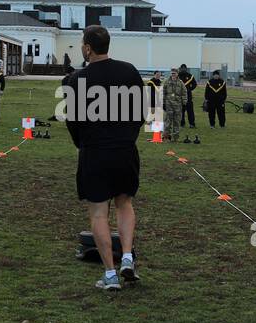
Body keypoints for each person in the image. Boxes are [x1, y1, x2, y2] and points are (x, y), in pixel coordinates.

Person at [62, 26, 145, 291]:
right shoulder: (129, 71)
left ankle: (110, 274)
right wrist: (127, 138)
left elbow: (73, 121)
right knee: (124, 203)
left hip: (95, 151)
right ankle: (128, 256)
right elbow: (140, 111)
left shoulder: (76, 79)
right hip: (124, 150)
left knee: (99, 212)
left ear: (87, 48)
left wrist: (82, 144)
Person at [163, 68, 185, 141]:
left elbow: (184, 93)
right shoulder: (166, 82)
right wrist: (163, 102)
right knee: (167, 121)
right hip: (169, 104)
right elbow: (163, 92)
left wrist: (184, 102)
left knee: (177, 121)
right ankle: (166, 137)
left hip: (178, 105)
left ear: (177, 74)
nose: (173, 74)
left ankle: (175, 138)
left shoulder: (181, 83)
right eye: (172, 73)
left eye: (174, 73)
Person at [178, 64, 198, 128]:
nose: (183, 69)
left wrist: (189, 89)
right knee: (181, 111)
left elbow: (194, 84)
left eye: (184, 68)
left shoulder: (190, 76)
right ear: (180, 69)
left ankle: (192, 124)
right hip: (179, 96)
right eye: (182, 68)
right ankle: (182, 124)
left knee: (190, 111)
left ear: (186, 69)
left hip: (188, 96)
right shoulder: (177, 76)